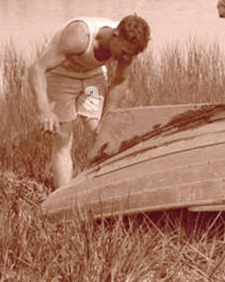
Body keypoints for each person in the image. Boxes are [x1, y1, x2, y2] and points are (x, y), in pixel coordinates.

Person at [27, 14, 151, 189]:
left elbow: (120, 81)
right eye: (123, 53)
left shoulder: (128, 48)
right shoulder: (78, 36)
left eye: (130, 56)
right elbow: (37, 69)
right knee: (63, 137)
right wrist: (45, 110)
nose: (125, 59)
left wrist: (107, 118)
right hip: (62, 76)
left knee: (99, 133)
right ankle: (64, 197)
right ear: (115, 35)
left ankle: (98, 189)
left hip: (92, 77)